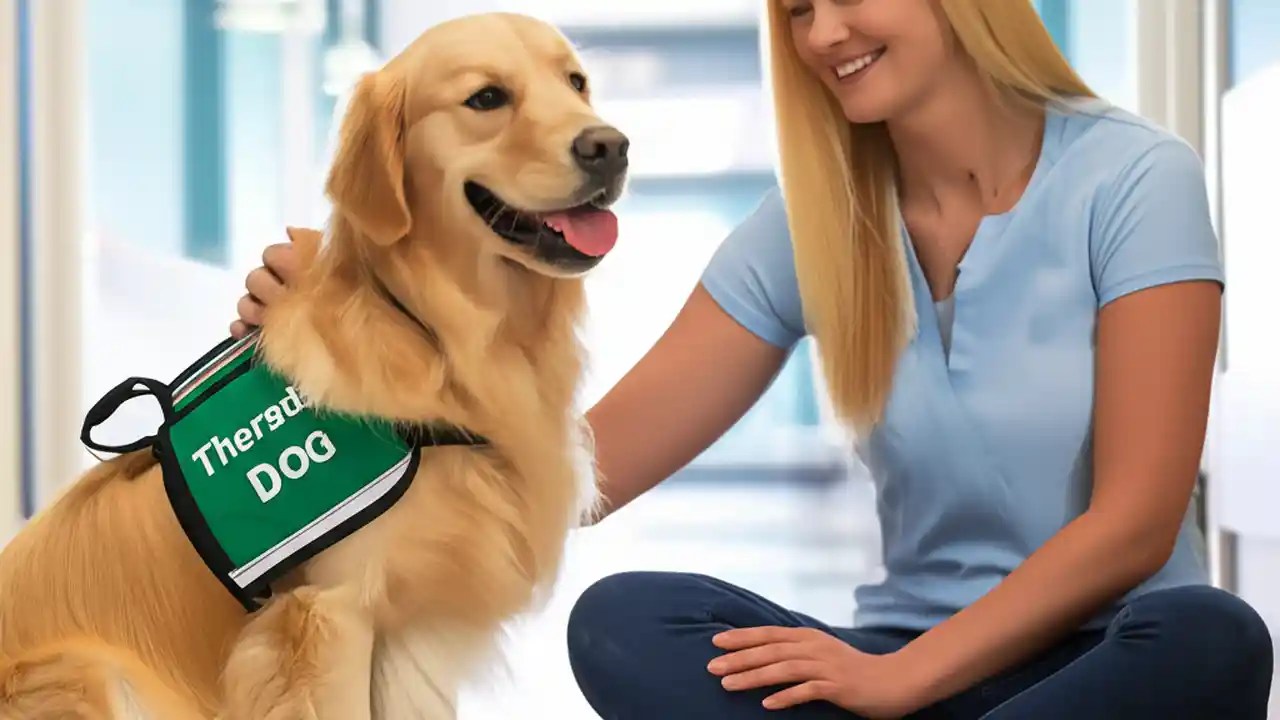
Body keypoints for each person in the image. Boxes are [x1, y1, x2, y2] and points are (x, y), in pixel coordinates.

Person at [232, 1, 1275, 717]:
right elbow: (570, 473)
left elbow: (1135, 524)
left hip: (1097, 665)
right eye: (795, 11)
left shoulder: (1134, 178)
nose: (822, 33)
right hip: (883, 665)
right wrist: (344, 329)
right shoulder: (814, 222)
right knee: (625, 620)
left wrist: (903, 686)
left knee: (1211, 636)